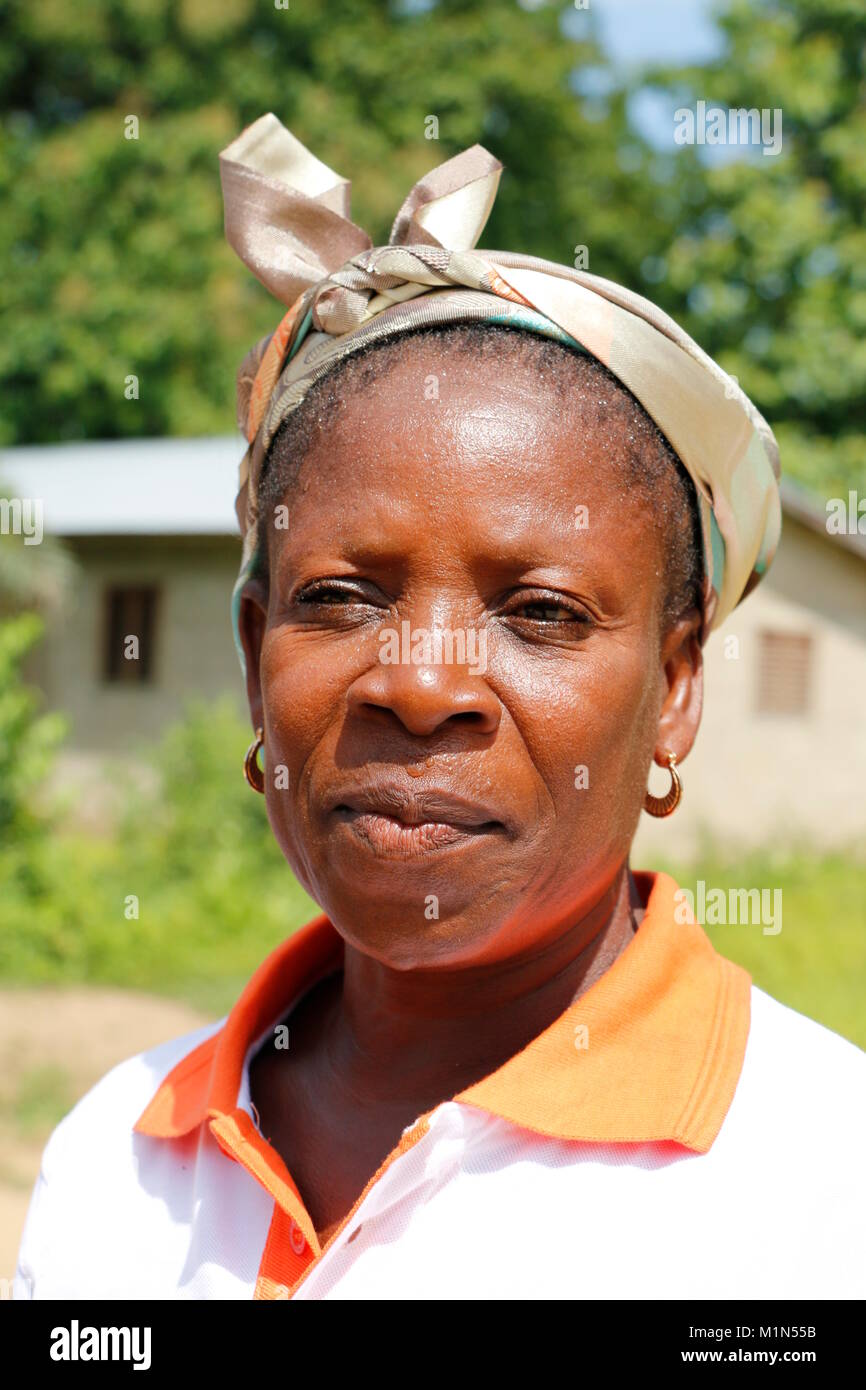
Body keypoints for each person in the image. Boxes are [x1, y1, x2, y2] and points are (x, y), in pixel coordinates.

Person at [15, 116, 865, 1300]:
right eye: (341, 597)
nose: (416, 684)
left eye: (541, 613)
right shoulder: (123, 1158)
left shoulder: (820, 1192)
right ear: (258, 652)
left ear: (673, 692)